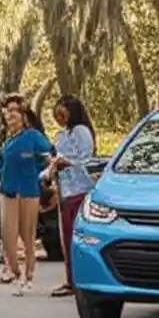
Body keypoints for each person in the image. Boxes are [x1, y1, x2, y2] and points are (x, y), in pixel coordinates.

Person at [46, 95, 98, 297]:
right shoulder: (61, 135)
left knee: (79, 238)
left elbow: (85, 158)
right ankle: (71, 280)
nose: (59, 118)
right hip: (65, 190)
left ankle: (82, 280)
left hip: (80, 189)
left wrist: (62, 162)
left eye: (62, 114)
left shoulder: (81, 131)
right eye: (56, 115)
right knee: (66, 238)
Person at [0, 102, 51, 295]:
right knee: (8, 234)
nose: (9, 115)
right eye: (8, 112)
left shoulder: (33, 137)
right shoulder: (8, 139)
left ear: (24, 116)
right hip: (8, 190)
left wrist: (45, 174)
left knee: (27, 234)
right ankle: (14, 270)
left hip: (27, 189)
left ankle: (26, 276)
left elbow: (48, 158)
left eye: (14, 112)